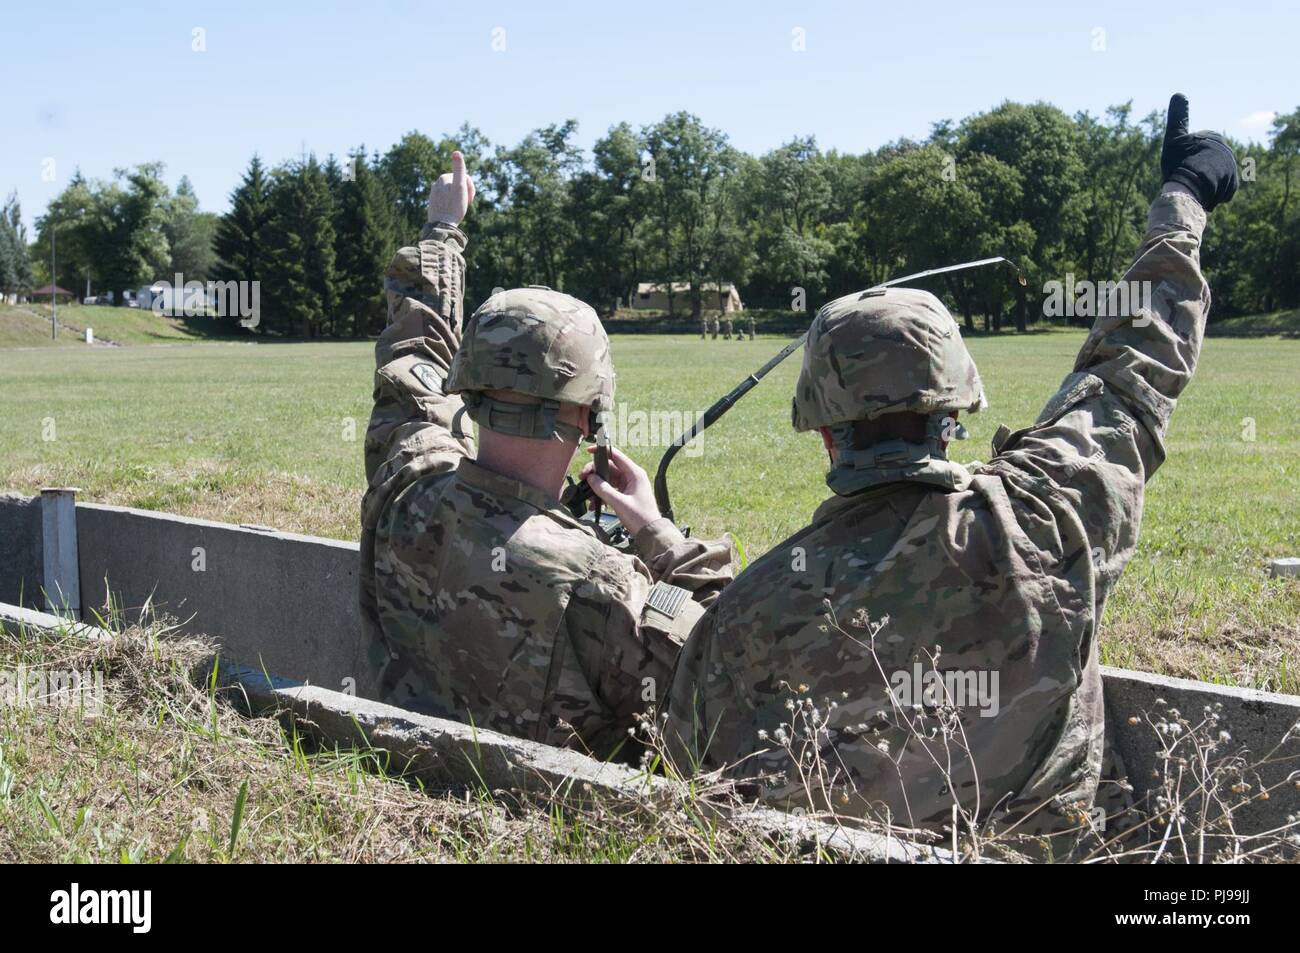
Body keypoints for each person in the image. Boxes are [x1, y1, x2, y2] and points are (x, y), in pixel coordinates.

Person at [663, 94, 1238, 833]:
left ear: (824, 433)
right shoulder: (1040, 515)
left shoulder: (749, 610)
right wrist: (1182, 201)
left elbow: (696, 781)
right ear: (957, 412)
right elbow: (1134, 371)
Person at [361, 152, 735, 759]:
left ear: (470, 388)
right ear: (591, 415)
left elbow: (412, 353)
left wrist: (443, 229)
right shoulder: (604, 585)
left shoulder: (407, 477)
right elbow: (739, 662)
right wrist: (659, 535)